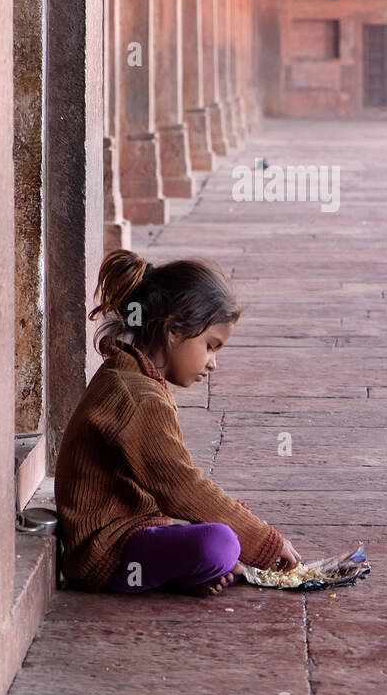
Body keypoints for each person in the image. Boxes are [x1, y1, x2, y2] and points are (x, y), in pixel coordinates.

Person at [54, 250, 301, 597]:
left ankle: (184, 571)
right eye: (210, 346)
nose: (212, 363)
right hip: (106, 554)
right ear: (173, 330)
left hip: (135, 533)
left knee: (218, 533)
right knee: (220, 543)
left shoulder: (134, 375)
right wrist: (265, 543)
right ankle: (182, 570)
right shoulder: (136, 395)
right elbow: (182, 488)